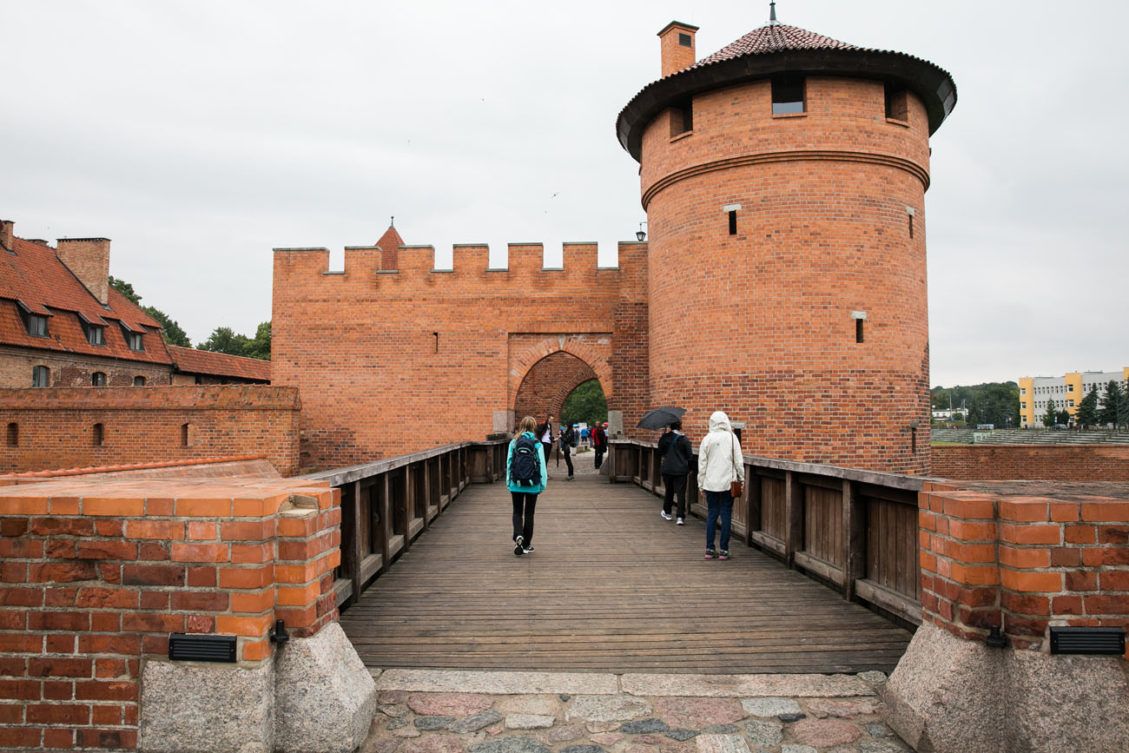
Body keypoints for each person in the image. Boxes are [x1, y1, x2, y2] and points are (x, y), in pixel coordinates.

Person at [697, 410, 744, 560]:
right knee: (726, 514)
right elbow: (738, 461)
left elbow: (702, 464)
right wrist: (741, 479)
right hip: (727, 483)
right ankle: (724, 549)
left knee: (711, 514)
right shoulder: (732, 438)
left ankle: (709, 549)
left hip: (710, 483)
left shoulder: (707, 439)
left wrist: (701, 483)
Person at [507, 415, 548, 556]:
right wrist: (542, 484)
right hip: (532, 484)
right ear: (533, 427)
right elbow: (542, 466)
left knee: (517, 512)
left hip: (516, 483)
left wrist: (508, 482)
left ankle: (518, 535)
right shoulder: (537, 443)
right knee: (529, 514)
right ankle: (526, 545)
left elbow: (509, 463)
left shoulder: (514, 442)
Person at [657, 420, 692, 525]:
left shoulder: (665, 437)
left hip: (667, 469)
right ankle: (680, 517)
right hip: (681, 470)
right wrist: (688, 467)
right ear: (680, 426)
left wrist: (662, 436)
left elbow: (660, 451)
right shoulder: (684, 439)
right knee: (681, 493)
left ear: (670, 427)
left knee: (669, 491)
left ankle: (667, 512)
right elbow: (689, 455)